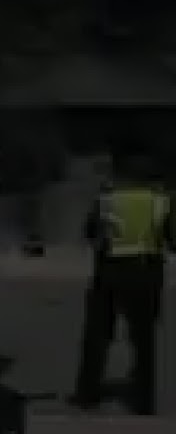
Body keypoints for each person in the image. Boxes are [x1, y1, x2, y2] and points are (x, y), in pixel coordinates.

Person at [70, 152, 172, 415]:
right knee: (143, 339)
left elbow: (91, 233)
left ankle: (87, 392)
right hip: (147, 272)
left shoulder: (108, 200)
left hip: (111, 271)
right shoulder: (160, 201)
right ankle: (144, 399)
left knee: (98, 334)